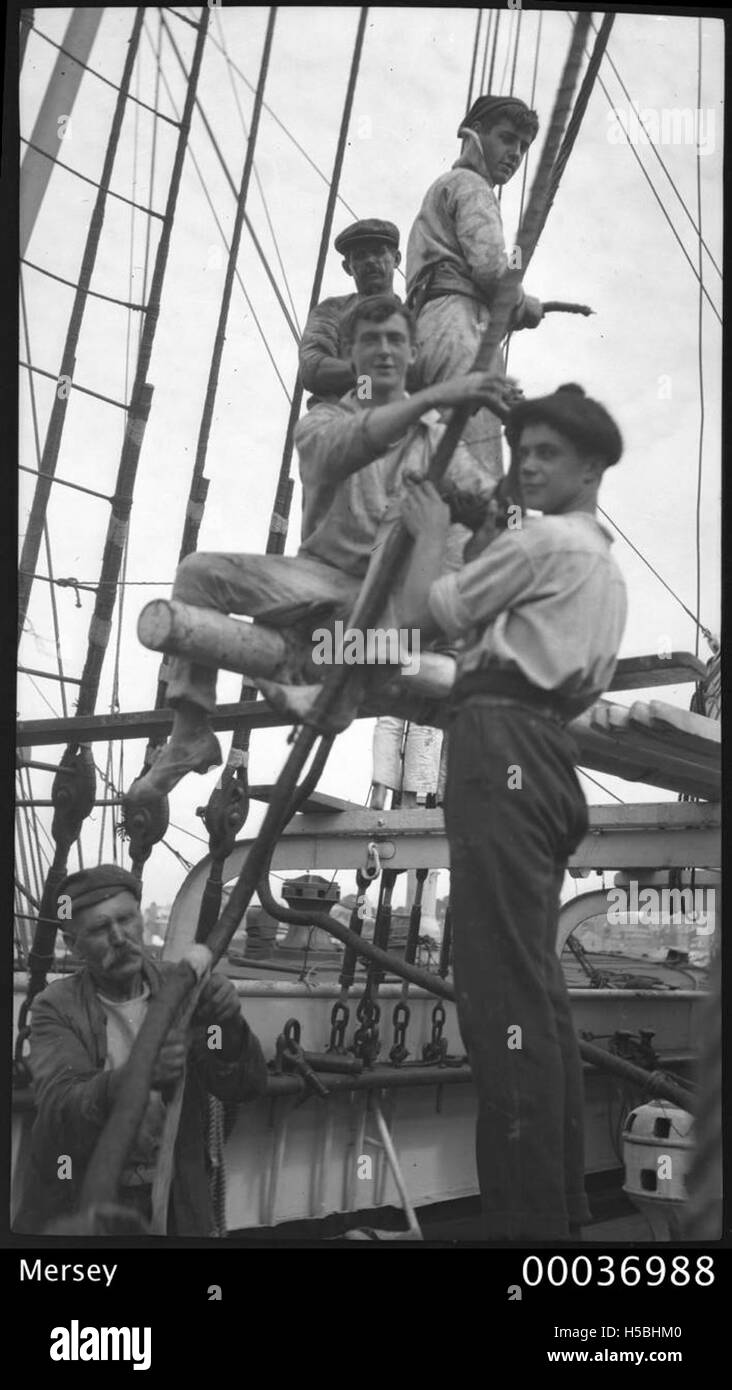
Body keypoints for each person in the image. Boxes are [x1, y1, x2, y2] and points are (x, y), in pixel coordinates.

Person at [396, 383, 628, 1241]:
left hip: (499, 752)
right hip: (551, 764)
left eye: (547, 455)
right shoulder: (603, 568)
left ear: (593, 466)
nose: (528, 465)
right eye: (521, 451)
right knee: (538, 1001)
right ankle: (560, 1221)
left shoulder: (545, 544)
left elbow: (429, 614)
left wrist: (428, 538)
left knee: (500, 1005)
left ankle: (526, 1236)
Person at [129, 294, 520, 798]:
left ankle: (324, 681)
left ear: (413, 352)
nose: (383, 351)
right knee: (197, 574)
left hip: (382, 602)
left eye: (396, 340)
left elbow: (498, 514)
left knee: (384, 639)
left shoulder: (441, 444)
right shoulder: (322, 425)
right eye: (370, 341)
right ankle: (189, 733)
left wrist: (513, 470)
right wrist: (435, 396)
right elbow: (347, 448)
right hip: (318, 575)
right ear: (352, 356)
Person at [13, 865, 268, 1236]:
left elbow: (244, 1085)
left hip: (178, 1203)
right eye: (100, 929)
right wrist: (137, 1076)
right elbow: (60, 1111)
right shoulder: (55, 1007)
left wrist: (224, 1026)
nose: (120, 937)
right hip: (83, 1199)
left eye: (126, 919)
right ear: (73, 945)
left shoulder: (184, 988)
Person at [406, 94, 544, 483]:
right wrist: (523, 304)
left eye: (523, 146)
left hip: (427, 330)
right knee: (472, 461)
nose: (515, 153)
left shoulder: (441, 188)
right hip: (461, 331)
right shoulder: (472, 186)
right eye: (506, 138)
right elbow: (491, 270)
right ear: (474, 133)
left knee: (432, 452)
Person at [299, 218, 402, 402]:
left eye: (378, 252)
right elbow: (311, 366)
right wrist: (365, 372)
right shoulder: (333, 310)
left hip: (402, 414)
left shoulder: (414, 314)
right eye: (360, 255)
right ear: (348, 267)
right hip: (338, 417)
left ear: (396, 259)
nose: (370, 261)